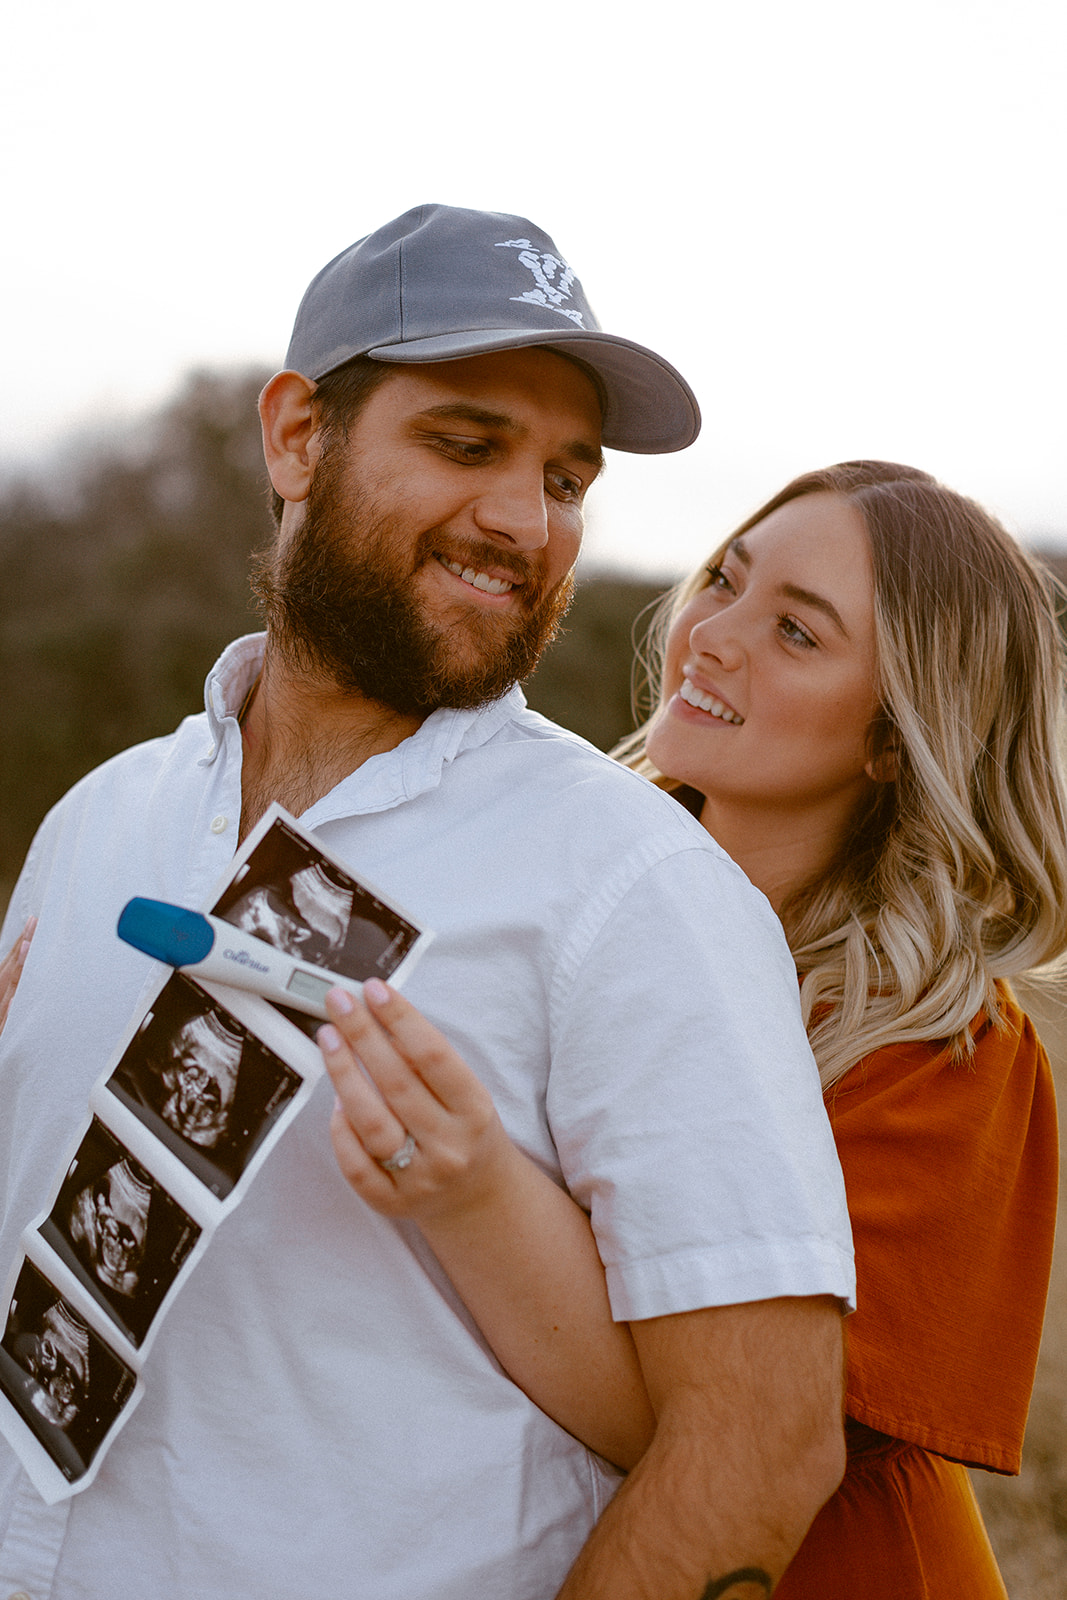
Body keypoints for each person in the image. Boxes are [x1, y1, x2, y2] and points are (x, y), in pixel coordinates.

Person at [0, 206, 853, 1600]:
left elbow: (758, 1444)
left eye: (565, 477)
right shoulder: (99, 821)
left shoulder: (637, 889)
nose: (523, 521)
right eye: (465, 446)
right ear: (294, 439)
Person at [319, 459, 1062, 1597]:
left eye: (797, 634)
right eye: (726, 577)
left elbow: (739, 1430)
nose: (714, 634)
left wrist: (471, 1196)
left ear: (892, 736)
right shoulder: (551, 880)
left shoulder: (943, 1048)